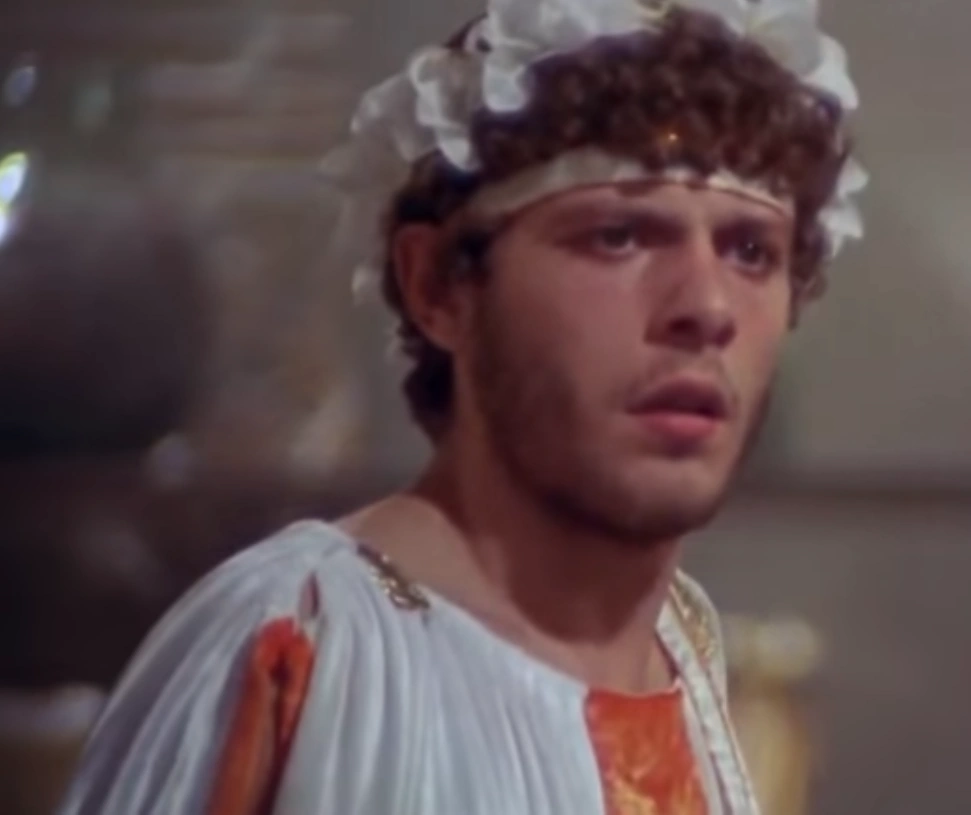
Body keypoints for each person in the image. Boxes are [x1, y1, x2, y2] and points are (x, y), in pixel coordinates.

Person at [59, 0, 866, 812]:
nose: (707, 306)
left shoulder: (687, 650)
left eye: (750, 250)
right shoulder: (298, 639)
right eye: (617, 235)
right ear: (439, 285)